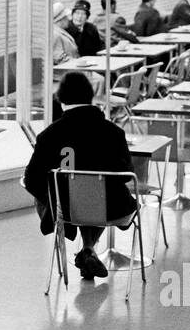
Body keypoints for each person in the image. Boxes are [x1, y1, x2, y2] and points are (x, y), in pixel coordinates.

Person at [23, 71, 140, 282]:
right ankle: (88, 248)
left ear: (61, 99)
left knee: (60, 190)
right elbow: (125, 176)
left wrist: (53, 201)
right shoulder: (114, 133)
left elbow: (31, 179)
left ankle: (82, 250)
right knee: (94, 193)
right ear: (90, 96)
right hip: (109, 208)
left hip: (64, 209)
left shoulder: (49, 135)